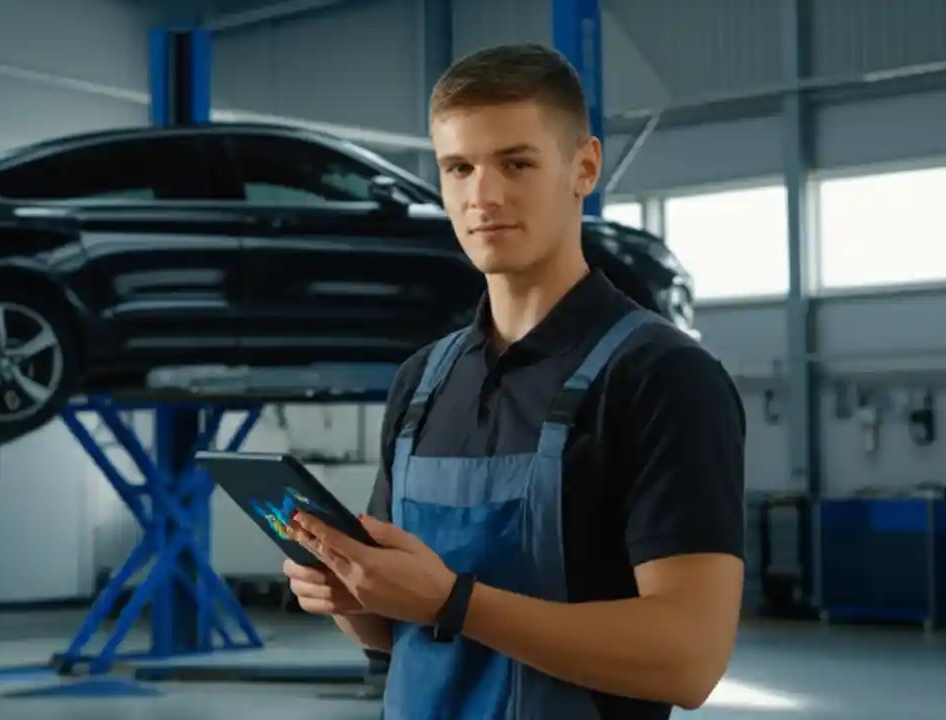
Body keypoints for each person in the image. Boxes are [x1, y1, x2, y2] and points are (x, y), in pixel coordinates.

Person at [282, 42, 746, 719]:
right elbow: (394, 636)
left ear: (583, 167)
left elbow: (688, 659)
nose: (483, 196)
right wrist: (352, 597)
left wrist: (454, 601)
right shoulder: (423, 382)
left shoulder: (663, 378)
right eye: (459, 168)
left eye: (516, 163)